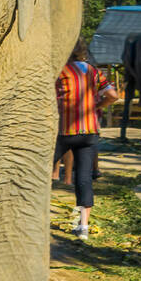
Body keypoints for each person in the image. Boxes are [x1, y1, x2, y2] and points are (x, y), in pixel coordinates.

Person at [54, 40, 117, 240]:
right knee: (84, 179)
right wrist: (98, 105)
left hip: (63, 131)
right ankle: (83, 227)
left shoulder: (60, 71)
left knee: (40, 171)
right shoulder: (93, 71)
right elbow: (113, 95)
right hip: (89, 132)